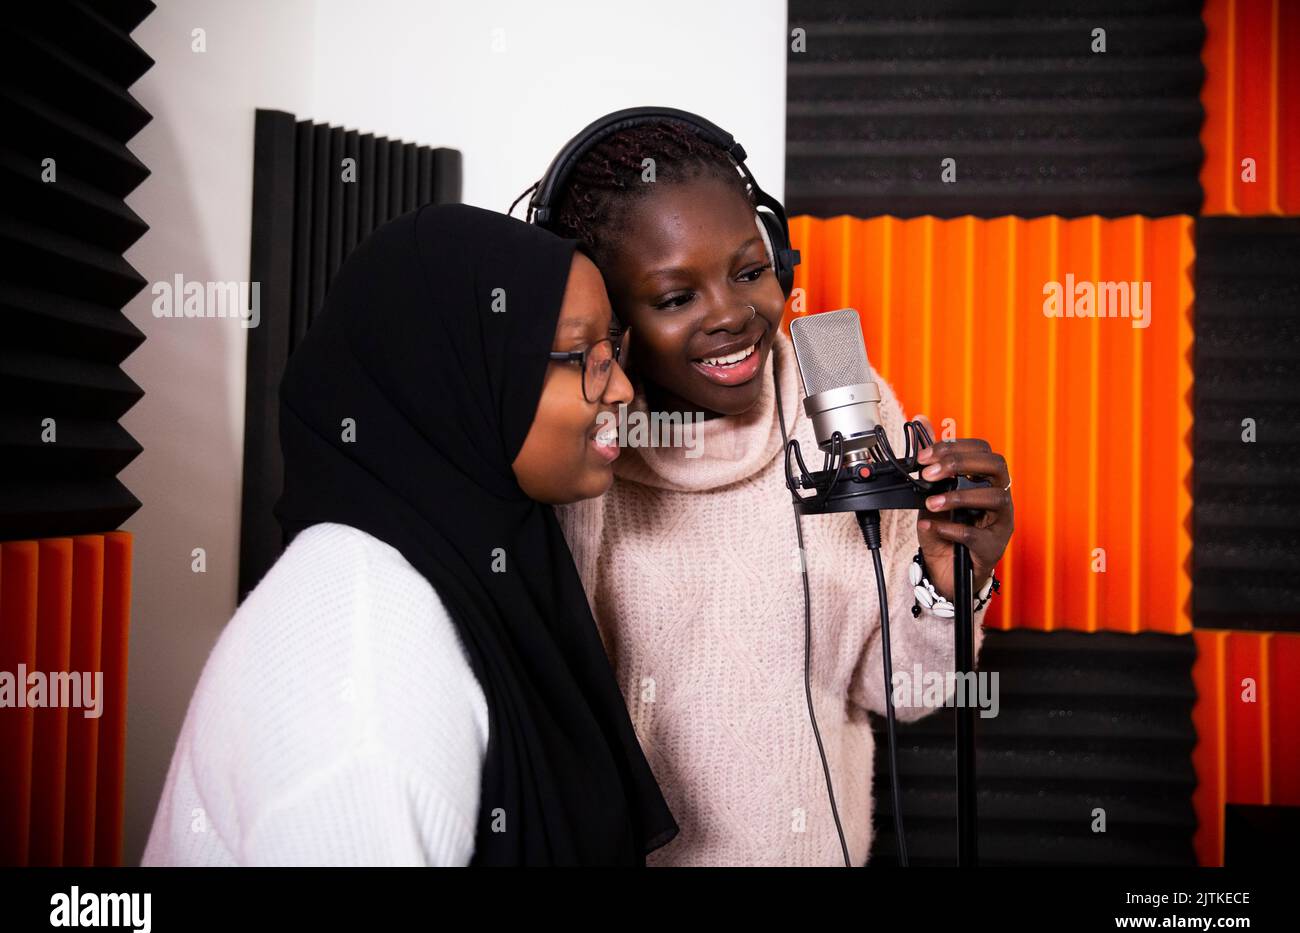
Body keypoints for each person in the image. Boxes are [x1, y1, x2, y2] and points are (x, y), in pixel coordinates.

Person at [521, 114, 1014, 865]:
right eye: (675, 297)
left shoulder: (846, 397)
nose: (732, 315)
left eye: (750, 271)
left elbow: (903, 691)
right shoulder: (573, 453)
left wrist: (948, 580)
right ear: (610, 318)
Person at [143, 203, 677, 865]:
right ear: (452, 377)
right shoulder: (363, 679)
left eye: (614, 350)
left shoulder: (468, 559)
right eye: (581, 356)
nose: (621, 386)